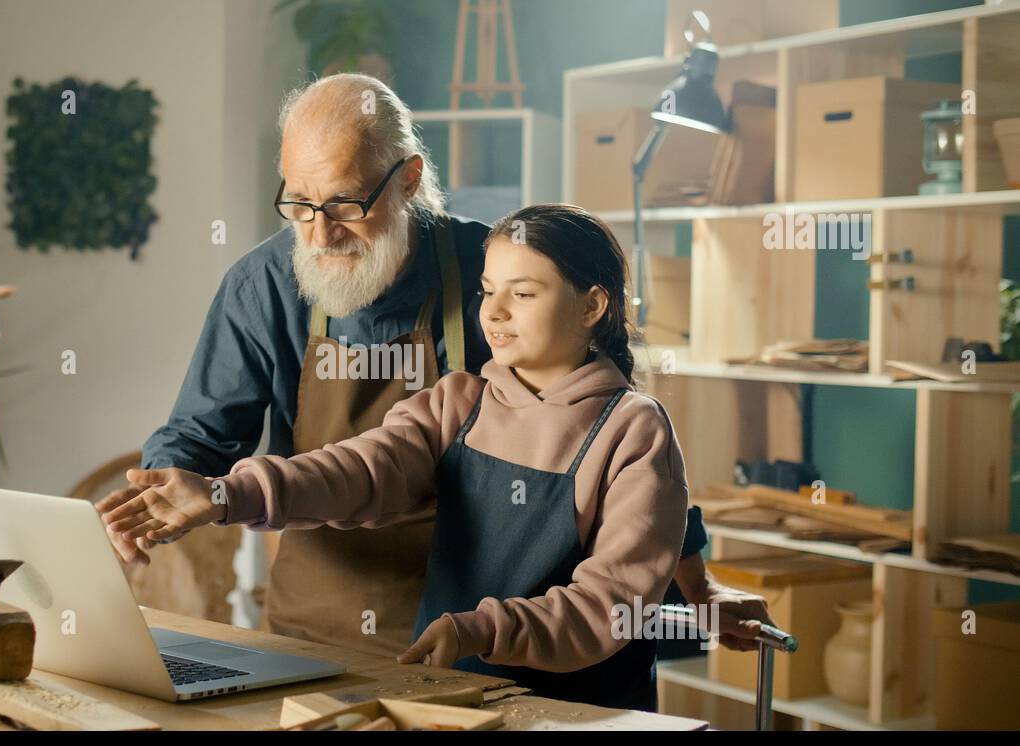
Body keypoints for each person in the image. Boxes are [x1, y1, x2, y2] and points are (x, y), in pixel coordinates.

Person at [101, 74, 773, 662]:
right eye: (299, 205)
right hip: (317, 628)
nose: (319, 233)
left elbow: (622, 448)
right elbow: (352, 467)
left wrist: (696, 581)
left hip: (492, 634)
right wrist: (155, 501)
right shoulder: (266, 287)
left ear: (410, 179)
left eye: (344, 204)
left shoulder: (492, 273)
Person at [108, 205, 687, 709]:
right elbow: (357, 471)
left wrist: (484, 629)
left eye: (524, 294)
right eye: (488, 291)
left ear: (592, 307)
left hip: (584, 710)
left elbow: (611, 604)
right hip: (462, 700)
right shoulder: (460, 401)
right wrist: (224, 494)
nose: (495, 312)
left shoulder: (633, 431)